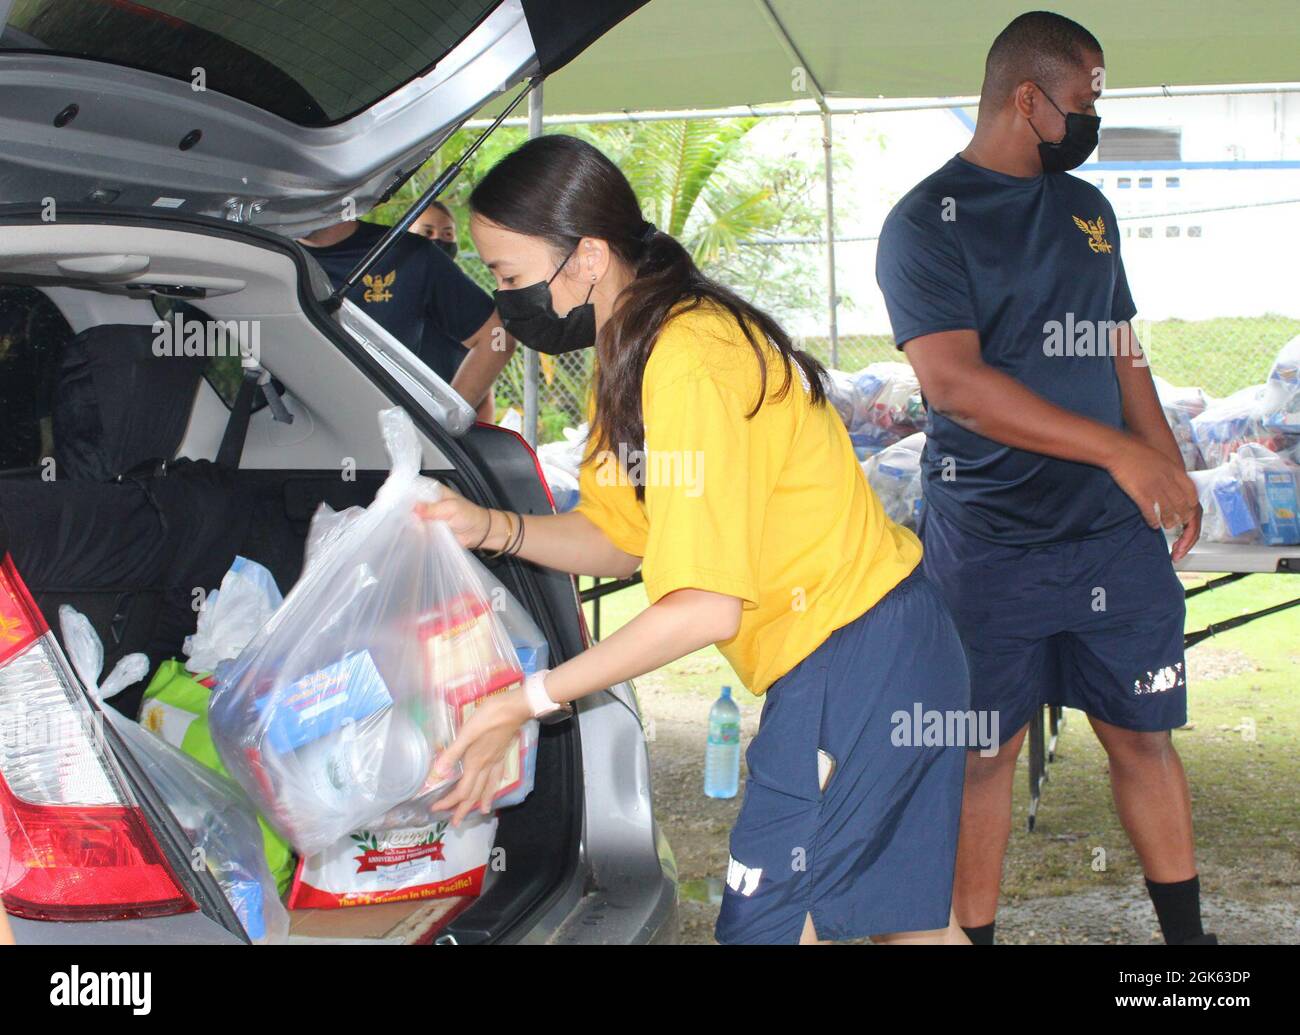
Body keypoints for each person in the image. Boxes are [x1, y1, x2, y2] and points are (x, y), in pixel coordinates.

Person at [418, 133, 972, 946]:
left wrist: (526, 700)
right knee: (911, 929)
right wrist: (493, 528)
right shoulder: (634, 350)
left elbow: (705, 606)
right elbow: (620, 535)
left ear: (588, 257)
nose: (504, 302)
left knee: (770, 928)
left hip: (857, 657)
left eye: (508, 275)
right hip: (875, 647)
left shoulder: (687, 354)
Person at [876, 11, 1214, 945]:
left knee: (1144, 735)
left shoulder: (1088, 212)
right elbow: (957, 386)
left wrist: (1163, 463)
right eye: (1088, 96)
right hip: (990, 545)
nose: (1095, 114)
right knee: (985, 752)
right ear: (1029, 99)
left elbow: (1121, 350)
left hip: (1109, 535)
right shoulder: (923, 223)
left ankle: (1188, 953)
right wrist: (1115, 450)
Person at [299, 218, 509, 422]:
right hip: (290, 433)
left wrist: (443, 424)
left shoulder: (406, 254)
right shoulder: (271, 257)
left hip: (383, 435)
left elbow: (497, 336)